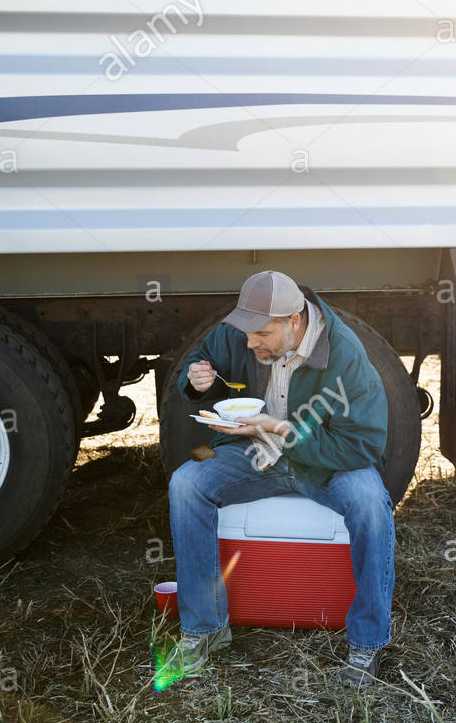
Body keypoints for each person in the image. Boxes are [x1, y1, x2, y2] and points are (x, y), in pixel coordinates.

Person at [166, 269, 395, 688]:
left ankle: (368, 641)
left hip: (325, 464)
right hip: (256, 455)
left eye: (262, 335)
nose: (250, 343)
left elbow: (362, 447)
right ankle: (205, 628)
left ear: (294, 322)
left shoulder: (345, 355)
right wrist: (195, 381)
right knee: (186, 484)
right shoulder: (244, 331)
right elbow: (204, 361)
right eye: (247, 332)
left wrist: (277, 430)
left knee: (369, 501)